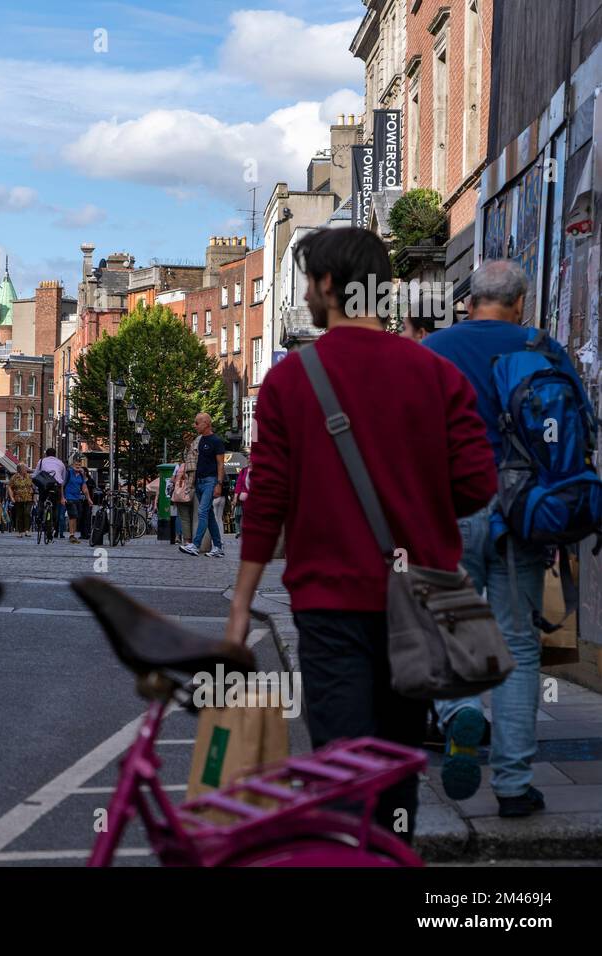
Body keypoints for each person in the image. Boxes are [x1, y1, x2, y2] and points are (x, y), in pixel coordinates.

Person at [222, 226, 496, 840]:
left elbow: (266, 503)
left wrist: (241, 606)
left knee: (342, 770)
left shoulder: (292, 381)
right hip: (418, 601)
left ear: (326, 284)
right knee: (398, 768)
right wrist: (419, 505)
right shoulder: (437, 374)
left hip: (330, 604)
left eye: (311, 281)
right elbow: (478, 484)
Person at [422, 259, 584, 816]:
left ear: (469, 303)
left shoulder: (434, 351)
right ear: (519, 303)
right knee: (517, 645)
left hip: (449, 513)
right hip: (522, 514)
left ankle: (458, 712)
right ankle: (514, 786)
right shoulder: (543, 349)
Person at [178, 413, 227, 557]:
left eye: (197, 423)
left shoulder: (216, 441)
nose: (195, 425)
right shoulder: (198, 441)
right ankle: (218, 547)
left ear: (206, 423)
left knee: (202, 511)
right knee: (210, 515)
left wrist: (219, 484)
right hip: (198, 482)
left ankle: (195, 544)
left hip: (210, 481)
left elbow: (220, 464)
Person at [33, 447, 66, 538]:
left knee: (42, 500)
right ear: (55, 454)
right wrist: (62, 496)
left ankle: (39, 517)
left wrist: (35, 487)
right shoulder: (61, 463)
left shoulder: (42, 461)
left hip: (44, 485)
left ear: (46, 454)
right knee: (55, 506)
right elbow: (62, 480)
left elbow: (35, 475)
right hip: (56, 486)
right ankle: (53, 525)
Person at [173, 431, 198, 544]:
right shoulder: (197, 452)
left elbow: (173, 480)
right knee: (194, 516)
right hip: (194, 488)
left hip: (183, 491)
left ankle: (187, 541)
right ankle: (194, 540)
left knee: (184, 518)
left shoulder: (180, 467)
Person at [63, 456, 93, 543]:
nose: (78, 466)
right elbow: (62, 484)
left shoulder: (81, 475)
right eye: (76, 464)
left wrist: (88, 499)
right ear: (72, 465)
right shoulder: (68, 472)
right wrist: (62, 497)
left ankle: (73, 534)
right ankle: (72, 535)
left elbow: (84, 488)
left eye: (79, 464)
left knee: (77, 516)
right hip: (69, 497)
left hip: (77, 498)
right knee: (73, 515)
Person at [8, 464, 34, 537]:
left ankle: (27, 530)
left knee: (27, 513)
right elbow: (9, 486)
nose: (26, 469)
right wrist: (11, 497)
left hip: (29, 498)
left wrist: (34, 495)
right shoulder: (14, 477)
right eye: (24, 468)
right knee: (20, 514)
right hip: (18, 498)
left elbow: (33, 486)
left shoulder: (29, 476)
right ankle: (20, 531)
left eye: (26, 468)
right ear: (19, 469)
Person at [233, 464, 250, 539]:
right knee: (241, 517)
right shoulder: (244, 470)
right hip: (244, 498)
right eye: (248, 458)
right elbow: (239, 484)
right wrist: (235, 498)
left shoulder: (260, 469)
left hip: (256, 498)